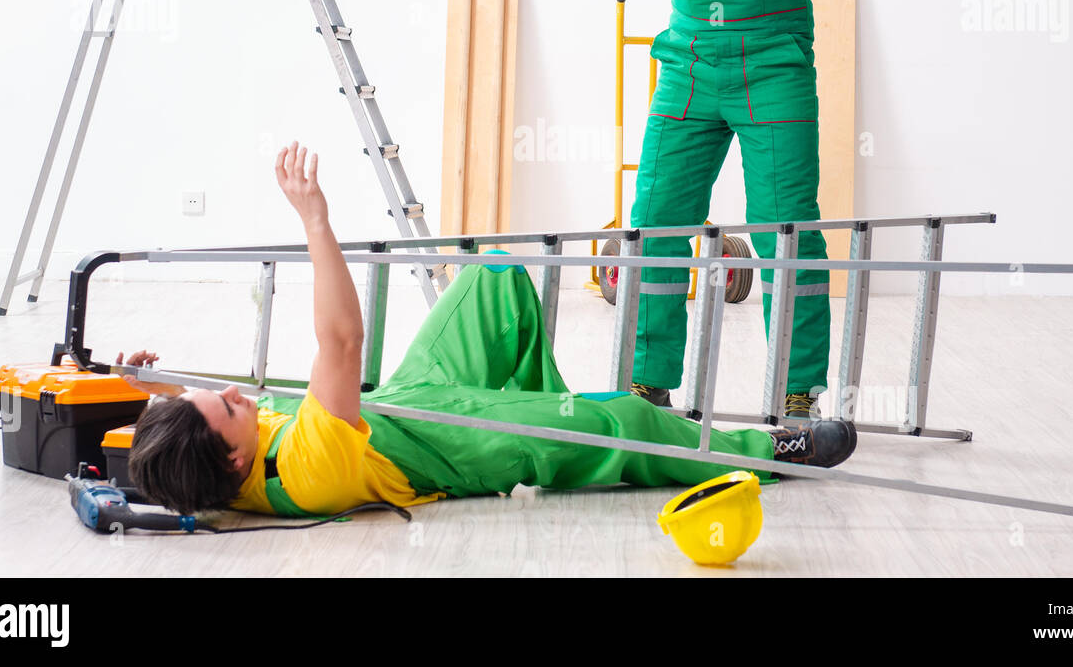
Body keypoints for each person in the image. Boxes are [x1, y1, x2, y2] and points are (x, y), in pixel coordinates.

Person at [122, 143, 855, 517]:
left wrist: (141, 394)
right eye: (224, 407)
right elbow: (340, 343)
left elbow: (164, 456)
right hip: (446, 445)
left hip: (406, 399)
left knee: (499, 274)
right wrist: (316, 219)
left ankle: (557, 426)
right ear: (233, 464)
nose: (231, 393)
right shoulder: (310, 474)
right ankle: (771, 451)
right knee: (631, 416)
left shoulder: (207, 468)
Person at [529, 0, 831, 415]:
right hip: (690, 63)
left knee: (787, 227)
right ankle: (648, 385)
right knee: (655, 221)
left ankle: (798, 395)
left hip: (773, 63)